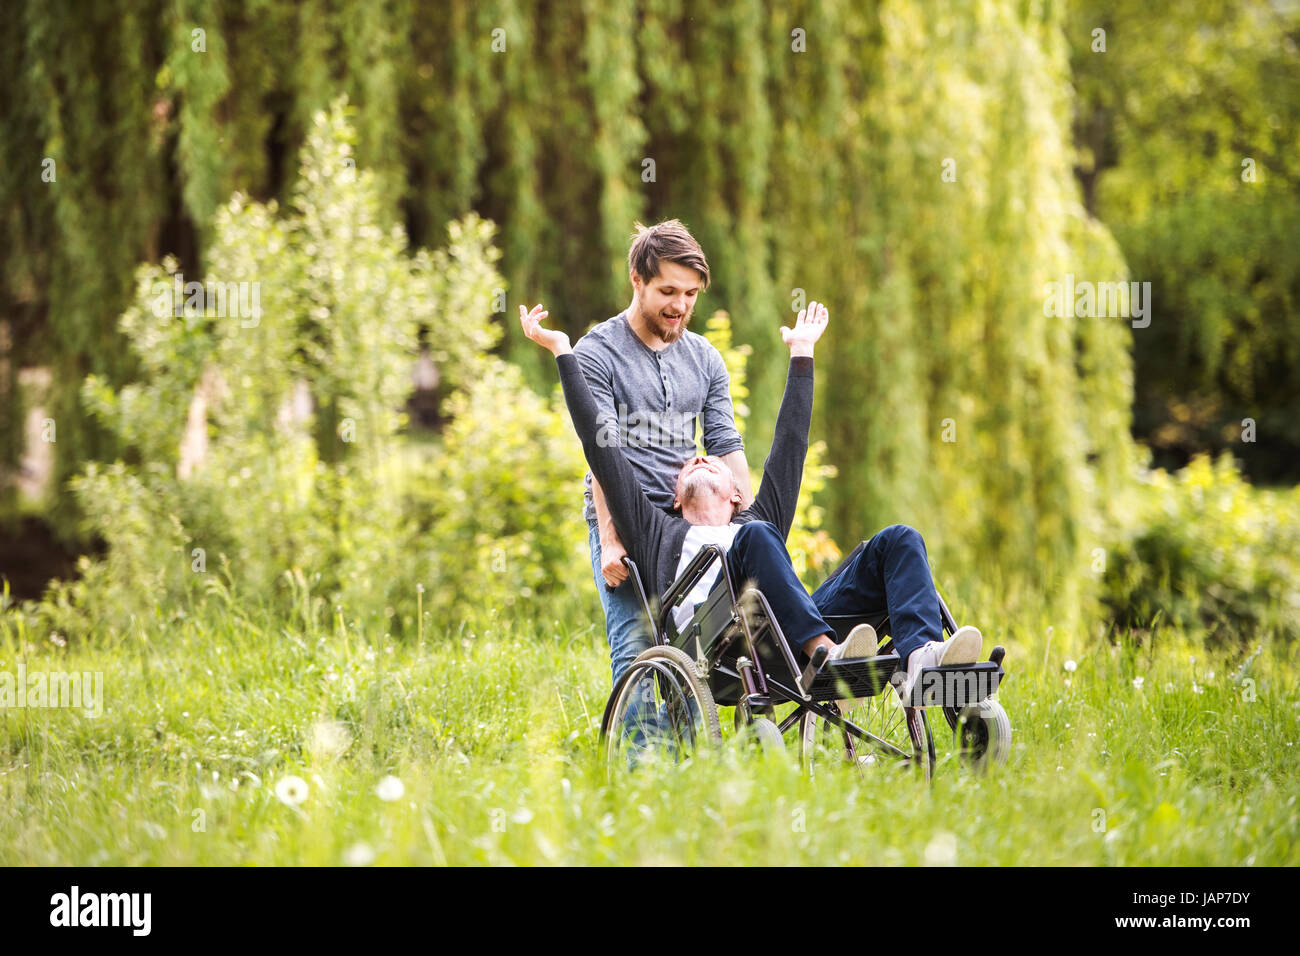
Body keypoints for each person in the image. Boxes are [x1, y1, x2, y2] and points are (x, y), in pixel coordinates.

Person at [520, 300, 985, 705]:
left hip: (787, 632)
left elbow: (790, 445)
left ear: (737, 493)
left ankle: (923, 658)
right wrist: (564, 353)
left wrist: (802, 353)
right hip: (719, 650)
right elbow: (601, 447)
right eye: (687, 465)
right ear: (675, 499)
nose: (699, 456)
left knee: (899, 540)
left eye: (711, 462)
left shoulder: (756, 519)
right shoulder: (657, 531)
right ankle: (825, 653)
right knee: (760, 538)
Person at [572, 220, 753, 688]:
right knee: (636, 646)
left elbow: (725, 442)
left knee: (709, 646)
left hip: (688, 521)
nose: (681, 306)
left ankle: (696, 758)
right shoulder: (597, 353)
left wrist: (751, 523)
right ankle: (639, 762)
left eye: (691, 294)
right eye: (669, 291)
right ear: (637, 279)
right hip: (628, 519)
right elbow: (602, 453)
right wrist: (611, 538)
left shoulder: (706, 359)